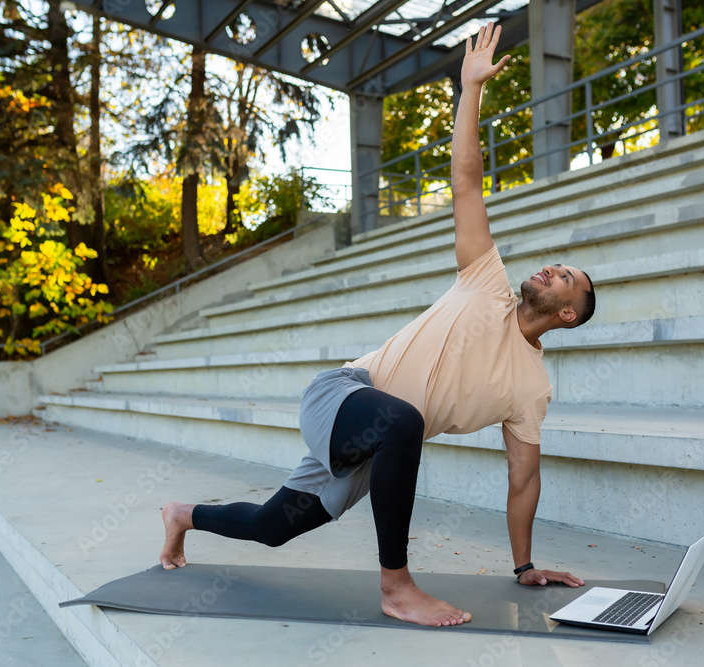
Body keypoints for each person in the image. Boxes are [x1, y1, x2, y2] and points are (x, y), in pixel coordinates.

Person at [158, 21, 596, 628]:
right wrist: (470, 89)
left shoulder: (531, 390)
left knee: (271, 528)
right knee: (405, 421)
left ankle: (182, 515)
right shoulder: (485, 282)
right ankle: (397, 588)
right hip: (345, 394)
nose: (551, 269)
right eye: (554, 265)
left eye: (565, 278)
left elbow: (524, 478)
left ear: (567, 315)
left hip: (377, 443)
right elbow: (466, 180)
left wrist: (524, 568)